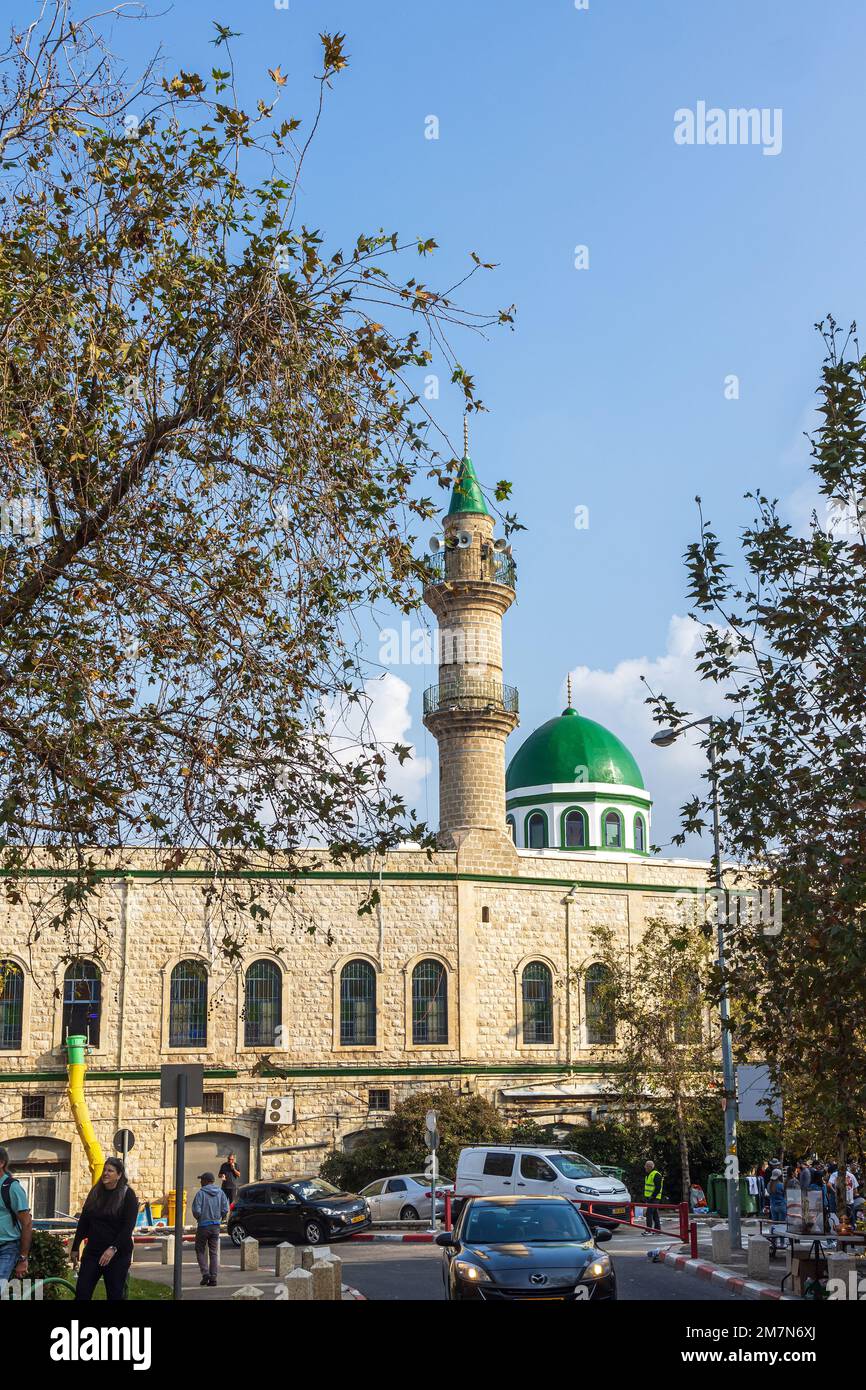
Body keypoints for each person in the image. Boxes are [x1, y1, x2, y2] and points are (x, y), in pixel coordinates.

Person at [71, 1157, 138, 1301]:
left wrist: (113, 1248)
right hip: (93, 1252)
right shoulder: (95, 1193)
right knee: (82, 1293)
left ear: (119, 1175)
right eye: (104, 1170)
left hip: (117, 1255)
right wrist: (76, 1246)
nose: (105, 1174)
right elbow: (84, 1221)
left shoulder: (127, 1195)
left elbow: (128, 1227)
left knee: (114, 1294)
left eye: (110, 1171)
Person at [0, 1145, 33, 1290]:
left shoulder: (11, 1187)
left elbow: (26, 1223)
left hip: (8, 1248)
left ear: (1, 1163)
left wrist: (23, 1258)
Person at [192, 1171, 229, 1287]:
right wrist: (219, 1217)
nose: (200, 1182)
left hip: (203, 1225)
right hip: (215, 1226)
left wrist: (200, 1217)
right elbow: (225, 1209)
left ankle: (205, 1273)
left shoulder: (200, 1194)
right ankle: (213, 1278)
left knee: (200, 1250)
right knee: (213, 1253)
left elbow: (196, 1210)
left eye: (201, 1180)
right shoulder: (221, 1193)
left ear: (206, 1181)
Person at [642, 1160, 663, 1232]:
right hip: (651, 1198)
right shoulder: (649, 1175)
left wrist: (652, 1196)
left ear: (650, 1167)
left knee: (649, 1213)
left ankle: (648, 1230)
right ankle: (658, 1230)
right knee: (654, 1214)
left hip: (654, 1198)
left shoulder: (656, 1174)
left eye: (646, 1166)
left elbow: (658, 1187)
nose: (645, 1168)